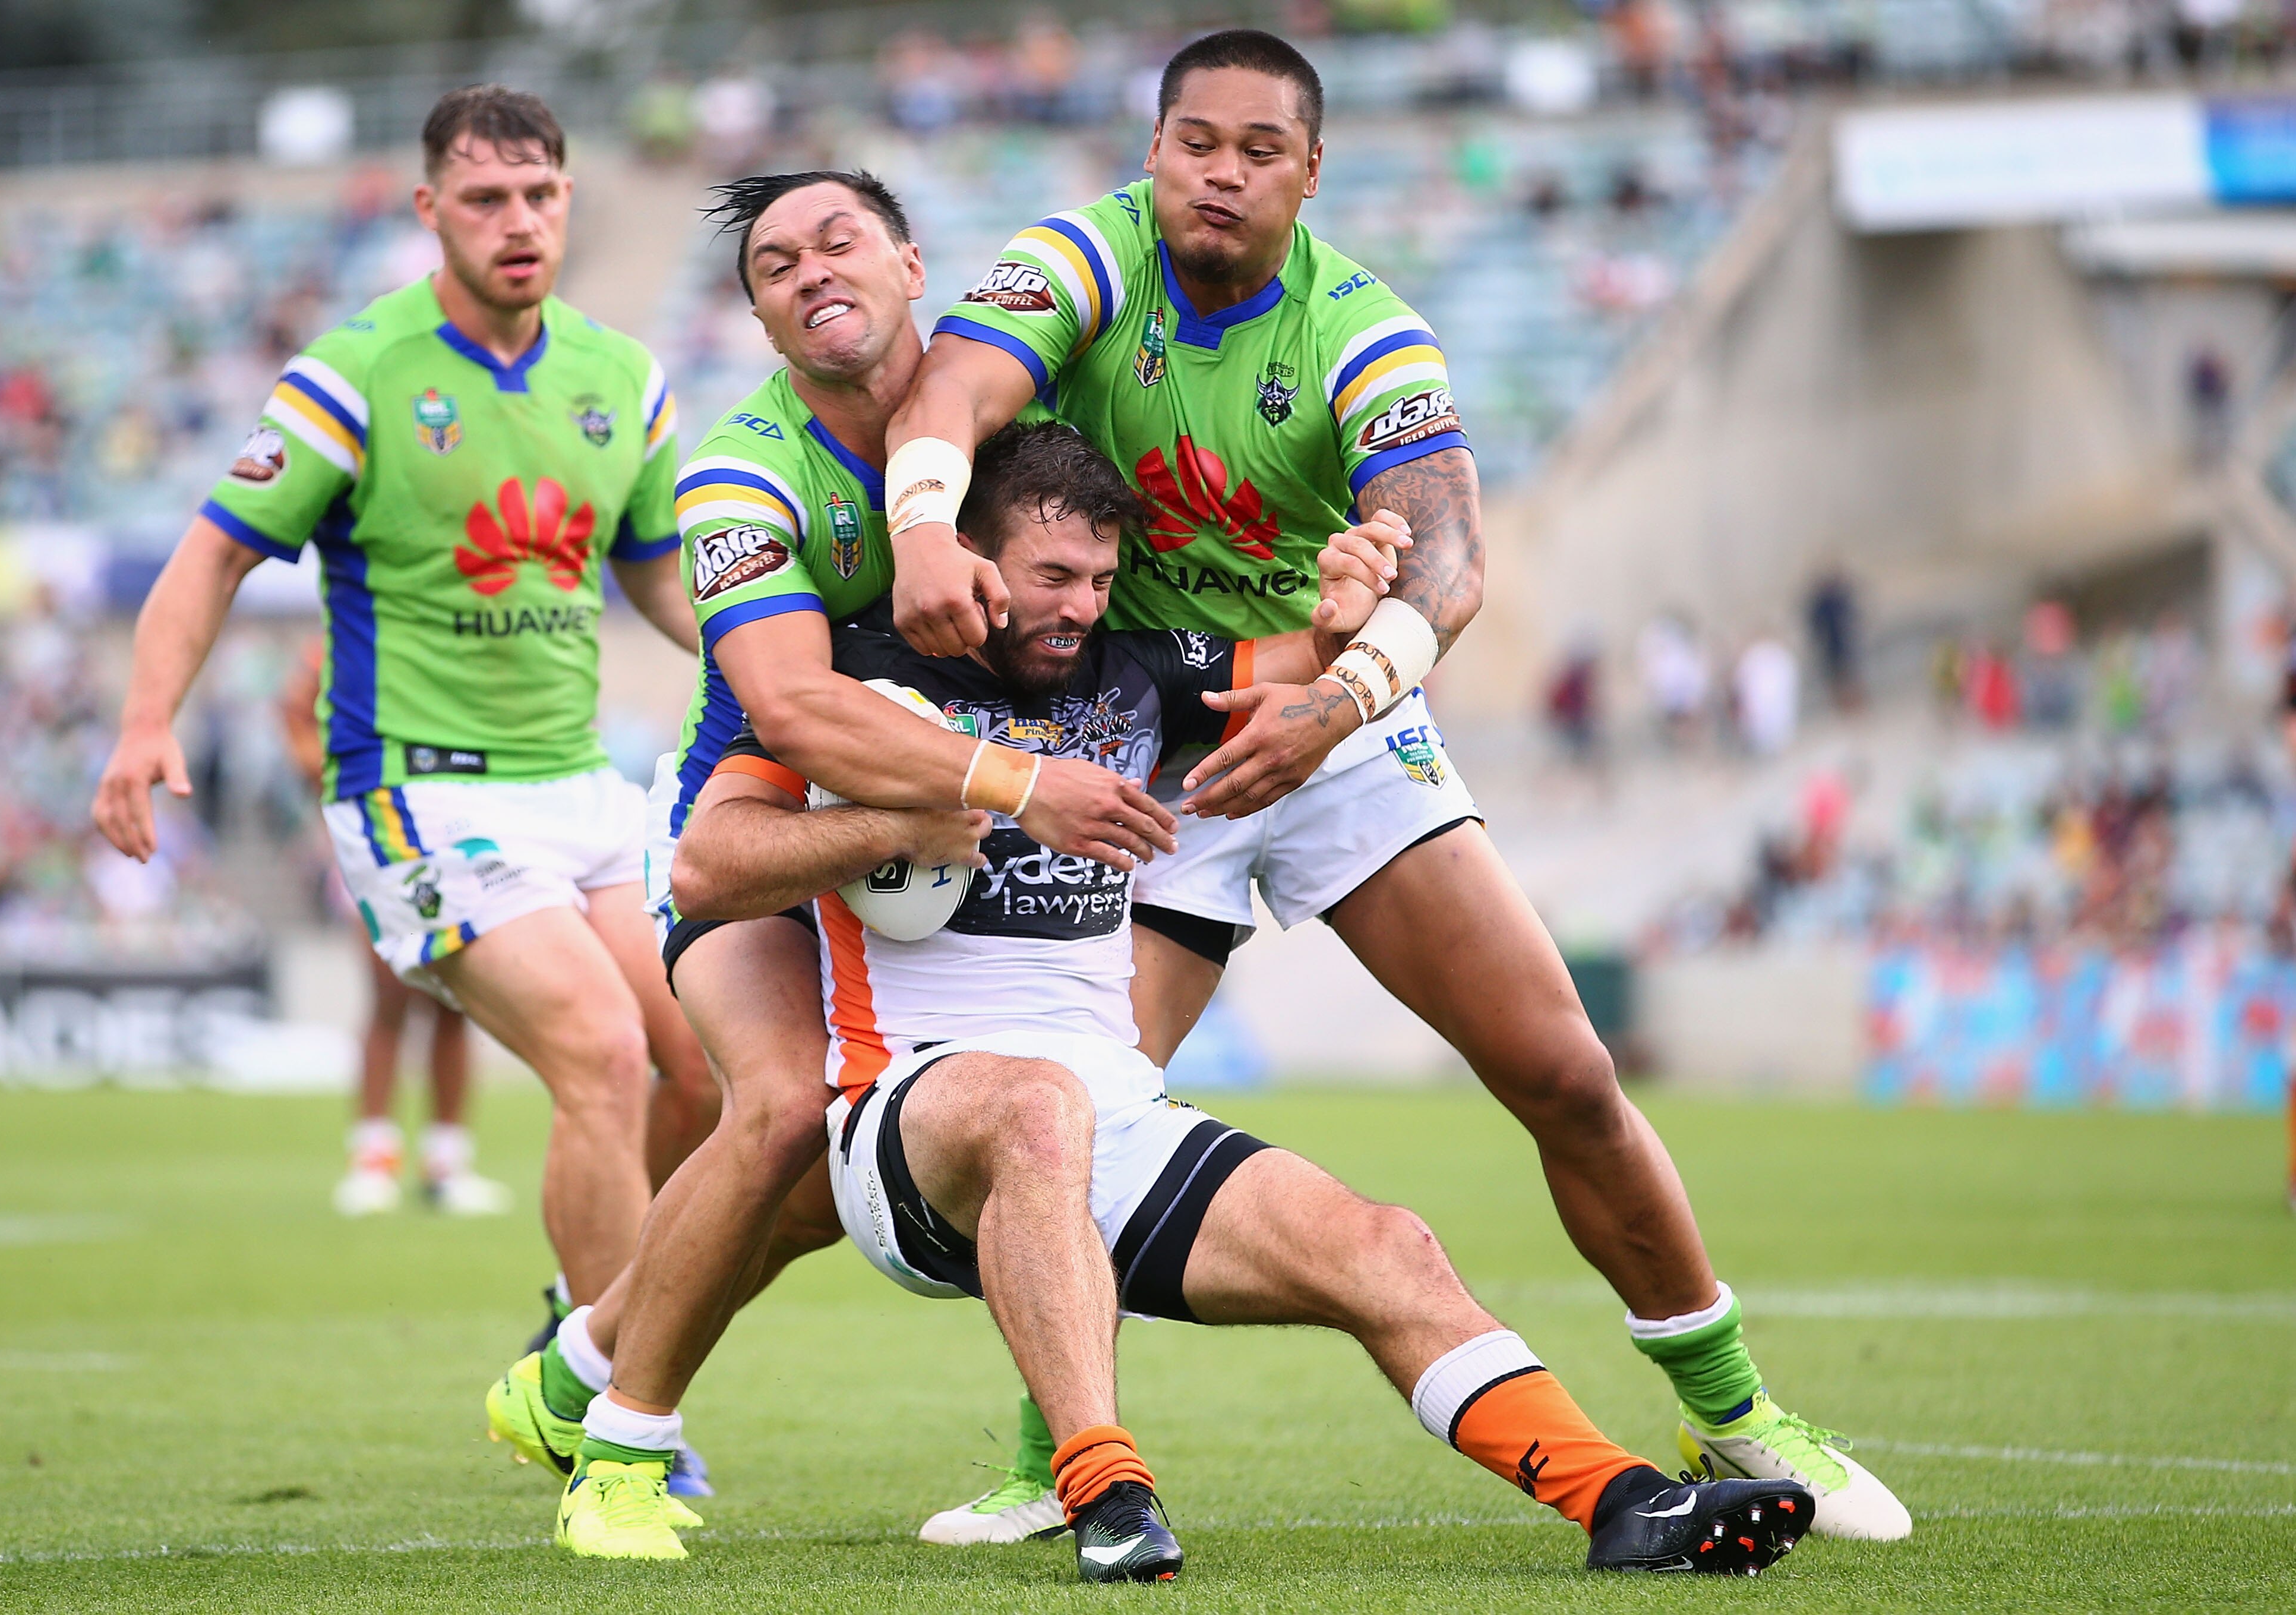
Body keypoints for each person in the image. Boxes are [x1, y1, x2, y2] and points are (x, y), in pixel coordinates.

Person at [883, 28, 1908, 1543]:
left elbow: (1444, 556)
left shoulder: (1362, 325)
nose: (1217, 172)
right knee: (1077, 1116)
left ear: (1311, 171)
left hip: (1331, 726)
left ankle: (1734, 1409)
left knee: (1560, 1070)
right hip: (1140, 750)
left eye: (1256, 149)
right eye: (1192, 142)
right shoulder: (1084, 258)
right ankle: (1060, 1455)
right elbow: (951, 390)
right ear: (1151, 150)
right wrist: (922, 521)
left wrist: (1343, 693)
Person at [625, 421, 1815, 1579]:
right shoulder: (858, 679)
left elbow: (1313, 659)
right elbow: (707, 866)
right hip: (901, 1121)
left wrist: (1351, 621)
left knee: (1383, 1248)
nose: (1080, 607)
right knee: (1035, 1108)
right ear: (972, 557)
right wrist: (910, 825)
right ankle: (1104, 1488)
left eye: (1099, 578)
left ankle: (1622, 1503)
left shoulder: (1139, 676)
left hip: (1106, 1120)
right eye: (1051, 576)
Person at [481, 169, 1209, 1522]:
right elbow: (793, 707)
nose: (811, 270)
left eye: (839, 241)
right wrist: (1016, 783)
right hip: (759, 824)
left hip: (961, 826)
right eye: (774, 264)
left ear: (911, 262)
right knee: (777, 1121)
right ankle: (621, 1460)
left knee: (921, 1155)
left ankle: (576, 1364)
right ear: (759, 316)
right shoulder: (745, 476)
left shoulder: (1012, 425)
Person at [91, 85, 716, 1327]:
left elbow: (652, 565)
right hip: (415, 791)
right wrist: (145, 722)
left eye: (538, 194)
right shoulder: (354, 374)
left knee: (702, 1071)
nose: (517, 221)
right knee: (597, 1053)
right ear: (431, 210)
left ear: (568, 198)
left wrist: (766, 663)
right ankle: (613, 1416)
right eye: (485, 199)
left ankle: (577, 1327)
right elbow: (214, 551)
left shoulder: (624, 378)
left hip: (579, 786)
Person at [277, 640, 505, 1216]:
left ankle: (445, 1162)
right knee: (388, 996)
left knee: (457, 1002)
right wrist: (320, 769)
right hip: (382, 835)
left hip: (458, 831)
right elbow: (294, 704)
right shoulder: (360, 632)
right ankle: (373, 1157)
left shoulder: (464, 636)